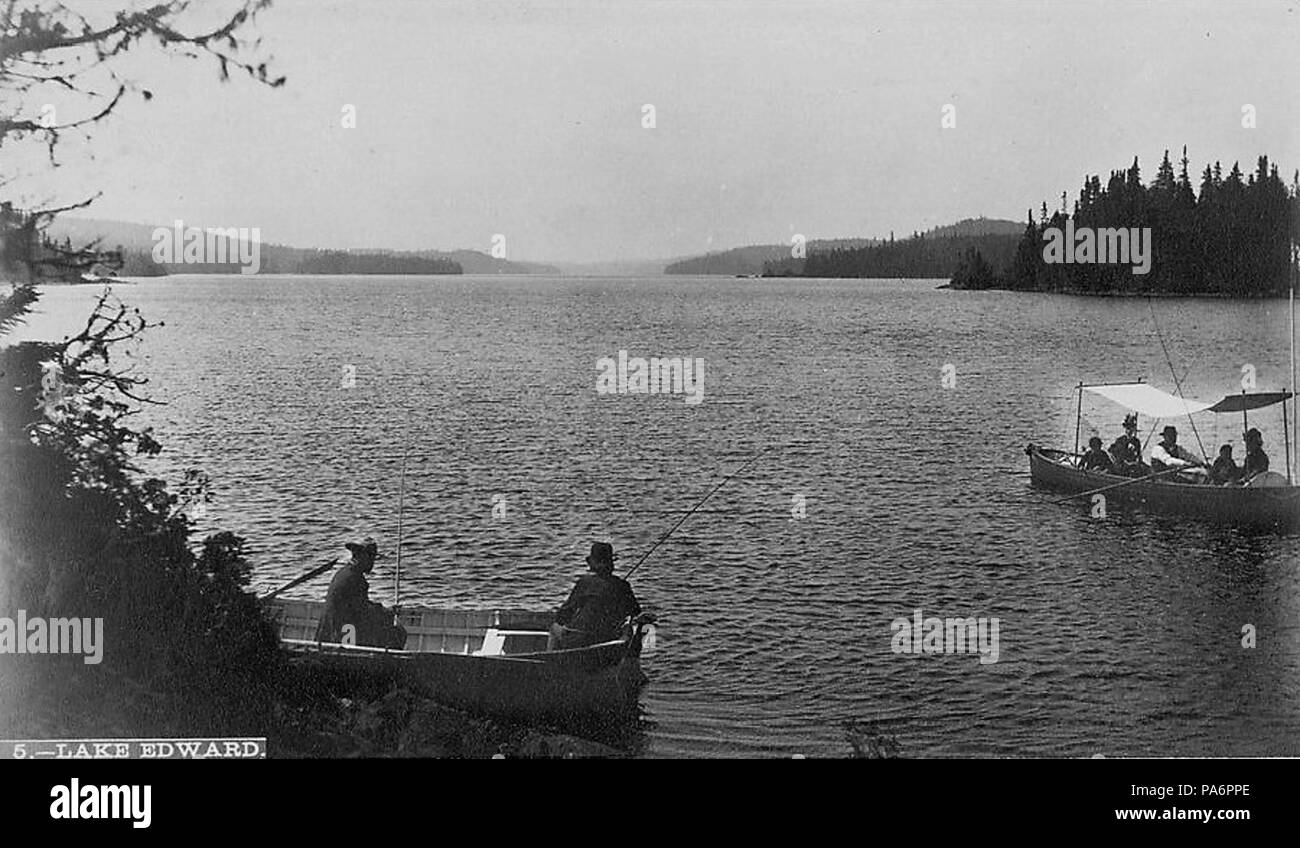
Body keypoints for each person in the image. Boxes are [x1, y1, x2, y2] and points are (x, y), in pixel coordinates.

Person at [315, 537, 407, 649]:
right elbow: (363, 612)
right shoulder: (355, 579)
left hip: (328, 633)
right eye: (371, 557)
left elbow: (359, 606)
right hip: (343, 635)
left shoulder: (343, 573)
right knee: (396, 634)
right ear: (362, 556)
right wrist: (387, 613)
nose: (372, 563)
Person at [548, 542, 641, 651]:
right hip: (607, 637)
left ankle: (554, 660)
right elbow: (635, 612)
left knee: (554, 628)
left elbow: (563, 615)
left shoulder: (584, 583)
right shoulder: (622, 585)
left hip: (579, 638)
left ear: (593, 563)